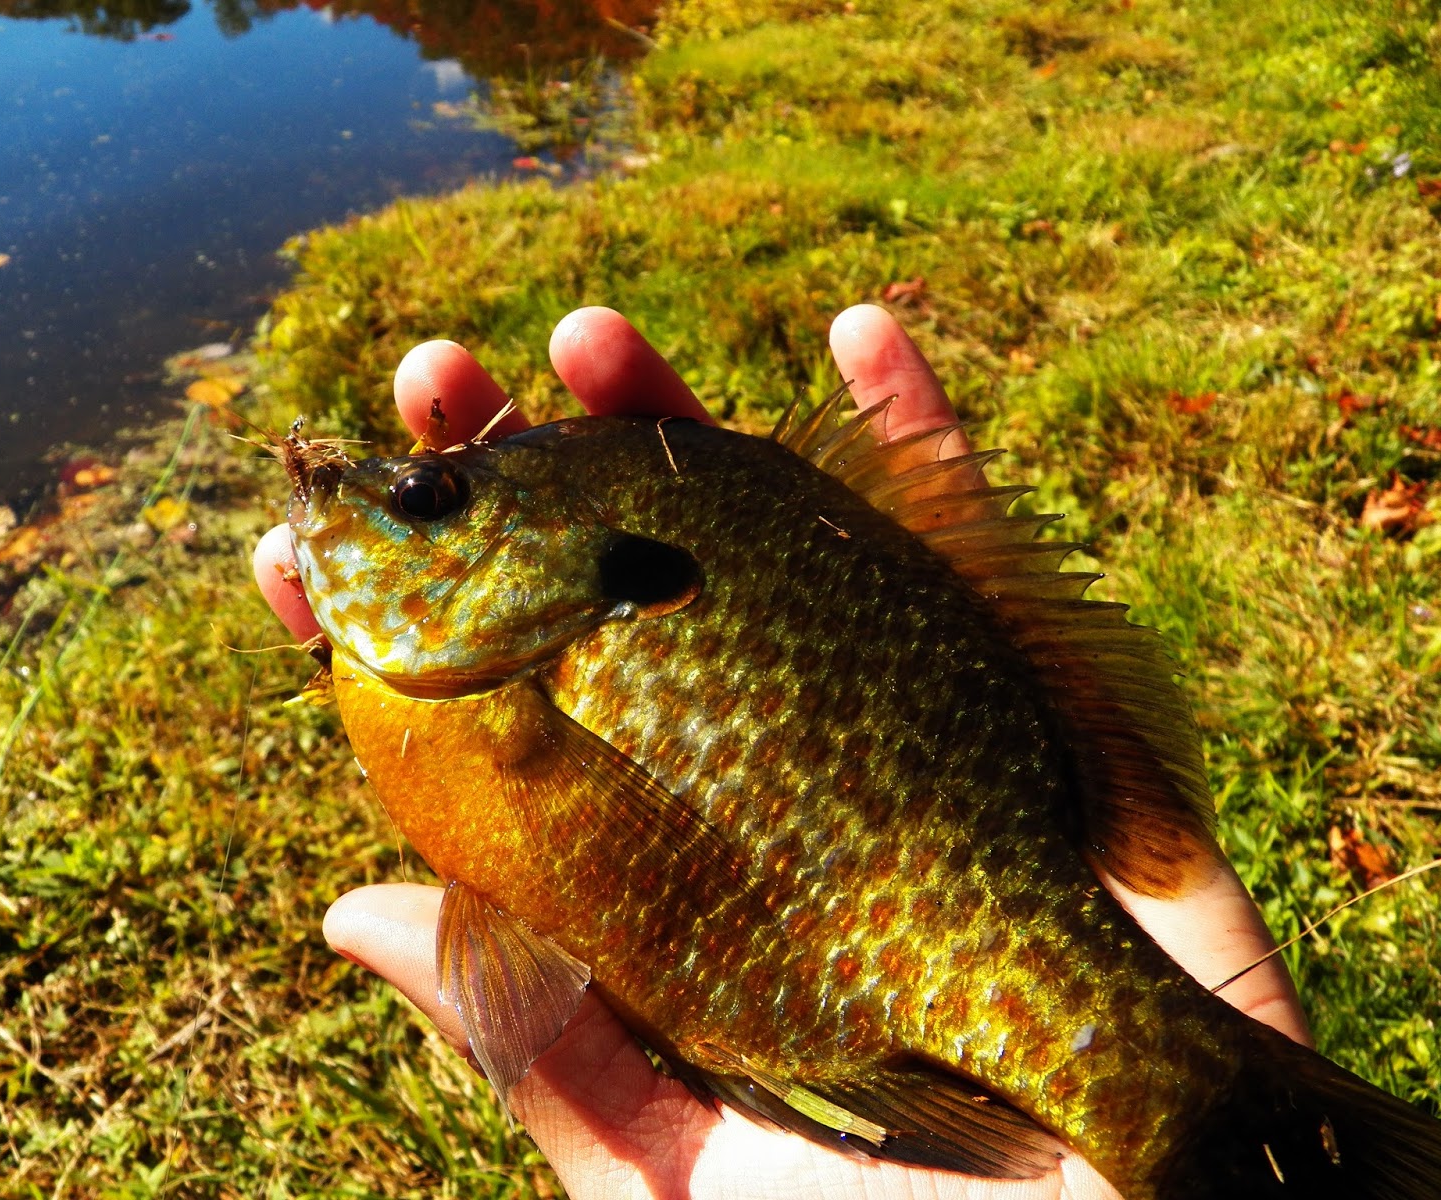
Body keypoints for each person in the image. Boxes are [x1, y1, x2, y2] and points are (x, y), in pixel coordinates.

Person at [252, 304, 1312, 1200]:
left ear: (579, 566)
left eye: (431, 504)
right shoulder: (456, 697)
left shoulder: (470, 695)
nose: (375, 506)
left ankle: (1194, 1106)